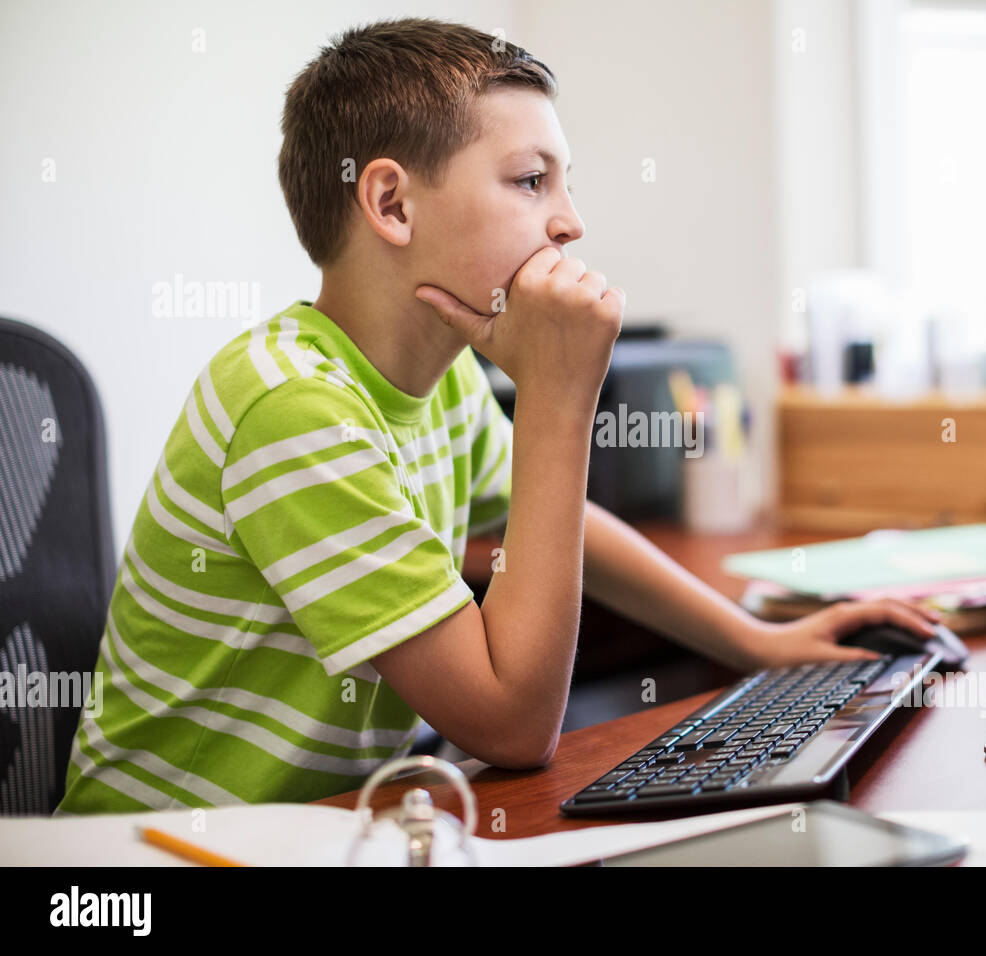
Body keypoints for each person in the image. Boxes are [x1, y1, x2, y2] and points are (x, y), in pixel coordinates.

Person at [57, 17, 938, 813]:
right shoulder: (294, 407)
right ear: (392, 204)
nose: (571, 223)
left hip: (327, 831)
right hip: (161, 855)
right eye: (530, 181)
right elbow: (515, 727)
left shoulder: (437, 378)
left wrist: (759, 642)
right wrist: (559, 399)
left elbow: (563, 527)